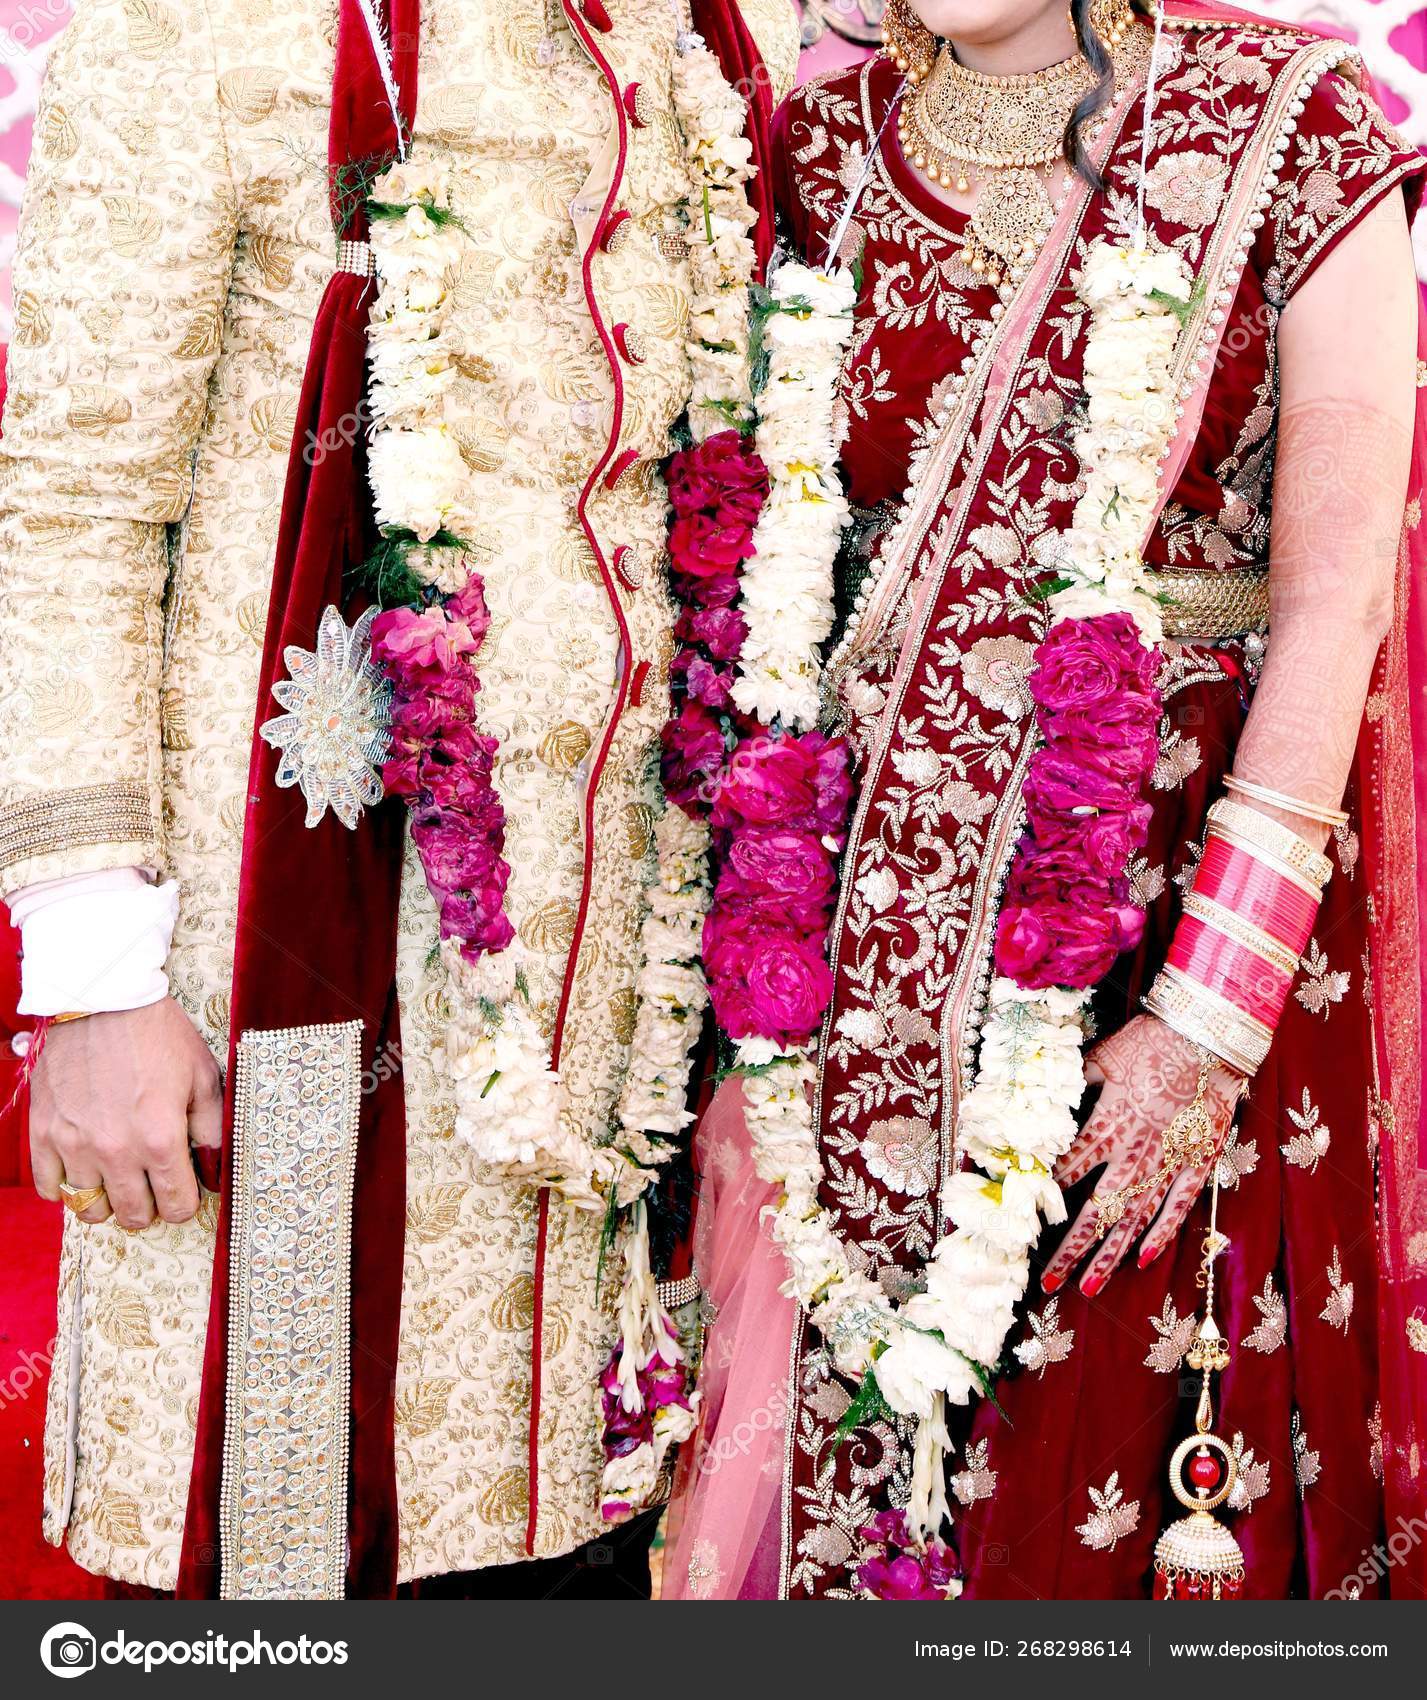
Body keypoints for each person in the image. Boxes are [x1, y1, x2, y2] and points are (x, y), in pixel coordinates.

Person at [0, 0, 798, 1600]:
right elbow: (73, 505)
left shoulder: (704, 38)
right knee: (284, 1539)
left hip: (609, 1033)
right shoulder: (194, 28)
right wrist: (90, 985)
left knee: (566, 1550)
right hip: (285, 979)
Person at [663, 0, 1427, 1599]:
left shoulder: (1292, 118)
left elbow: (1339, 593)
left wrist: (1208, 1013)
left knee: (1108, 1477)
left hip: (1156, 926)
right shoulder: (817, 151)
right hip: (851, 956)